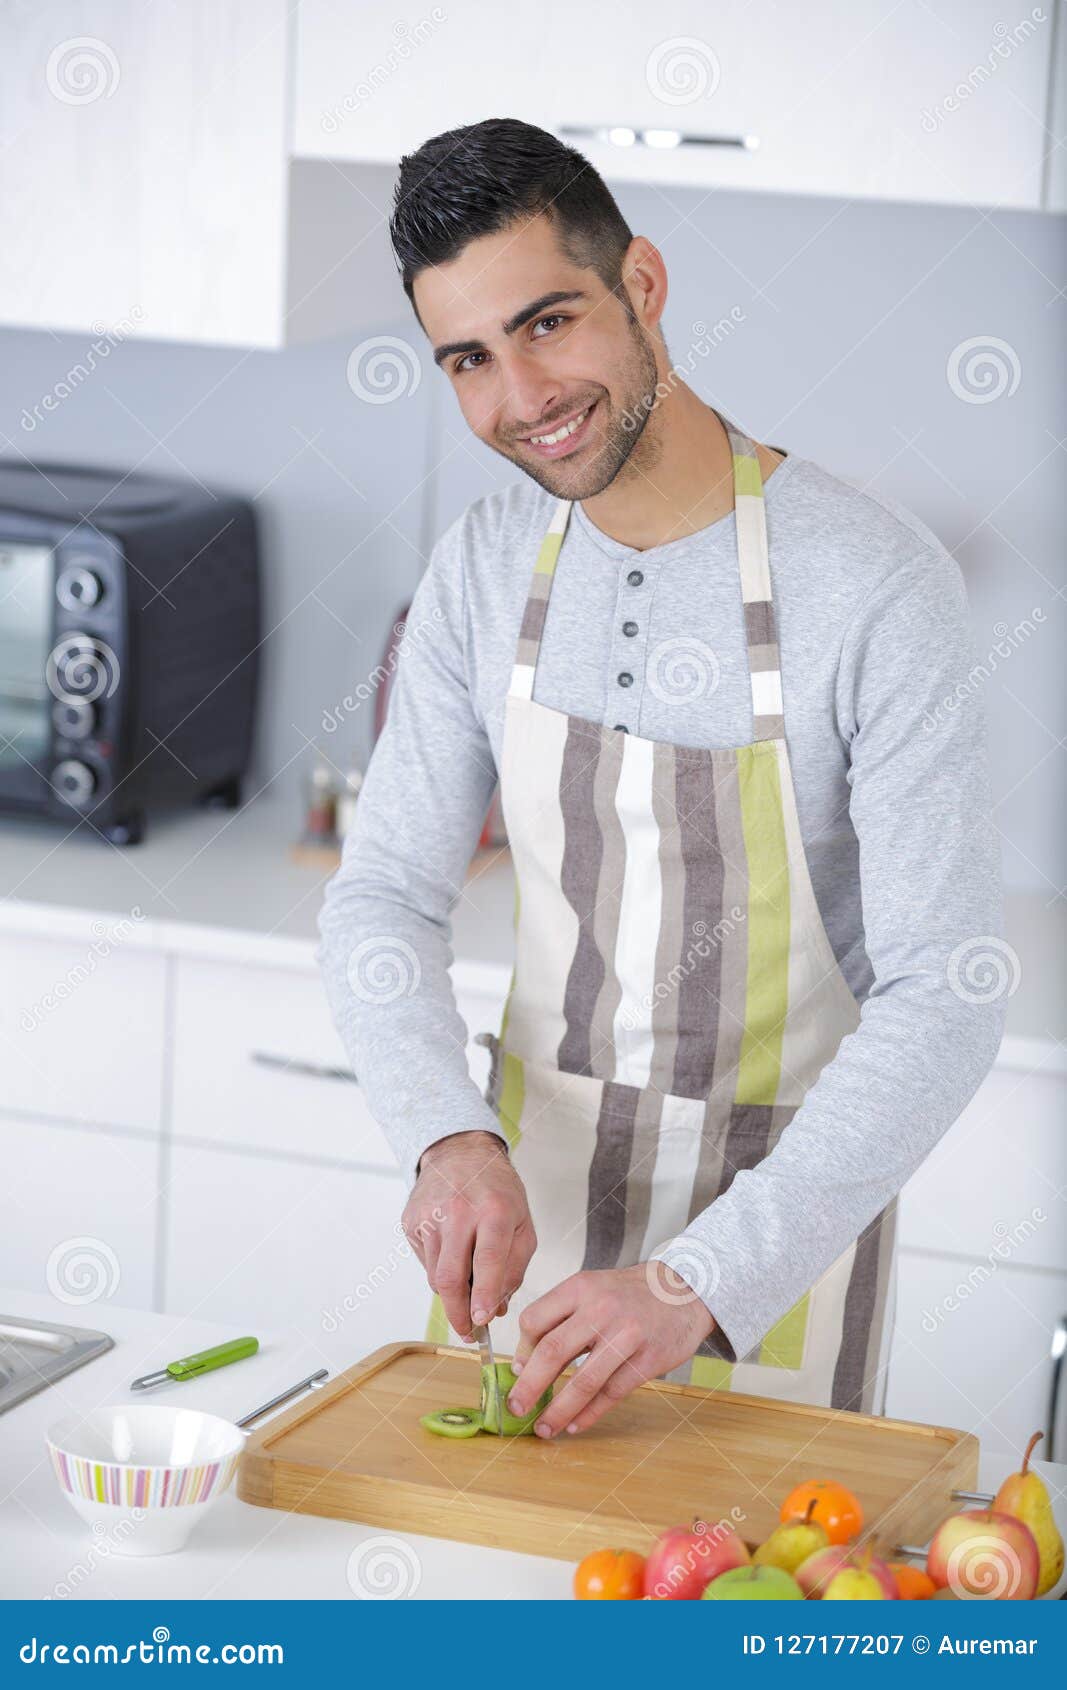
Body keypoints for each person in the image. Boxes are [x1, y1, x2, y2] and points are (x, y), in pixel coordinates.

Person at [317, 117, 1005, 1437]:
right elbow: (384, 895)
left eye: (549, 322)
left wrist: (699, 1279)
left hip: (770, 1277)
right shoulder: (483, 566)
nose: (520, 395)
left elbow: (948, 994)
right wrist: (444, 1134)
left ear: (643, 284)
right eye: (468, 356)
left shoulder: (872, 584)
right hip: (532, 1257)